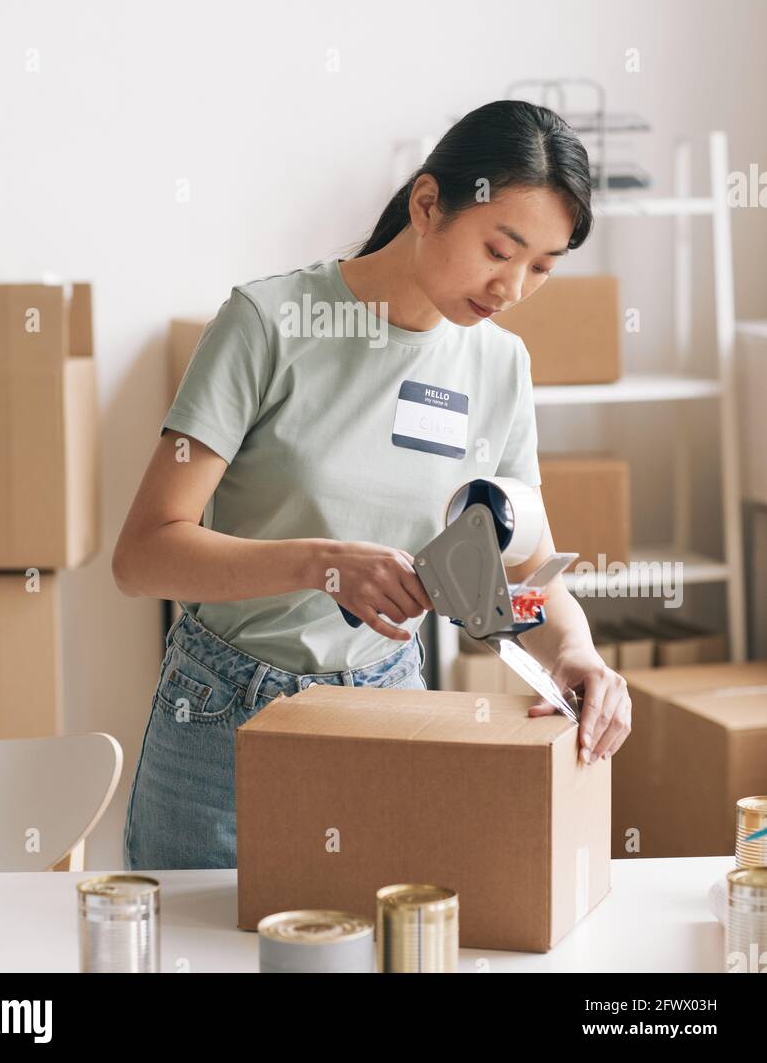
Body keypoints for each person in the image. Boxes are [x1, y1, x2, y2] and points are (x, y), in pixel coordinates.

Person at [114, 98, 632, 870]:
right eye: (500, 249)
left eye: (542, 269)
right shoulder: (268, 323)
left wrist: (578, 648)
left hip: (385, 705)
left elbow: (524, 567)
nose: (512, 288)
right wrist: (318, 564)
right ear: (428, 204)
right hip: (222, 711)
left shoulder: (497, 366)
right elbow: (144, 556)